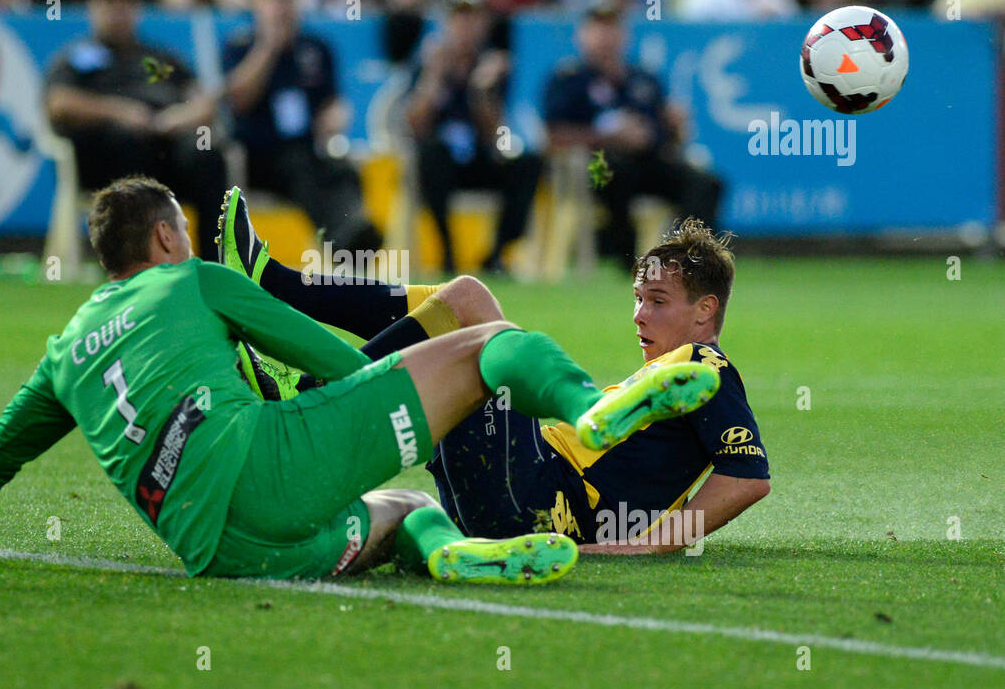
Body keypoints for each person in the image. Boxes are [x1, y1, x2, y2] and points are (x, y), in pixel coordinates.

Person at [0, 176, 721, 581]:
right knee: (490, 338)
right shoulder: (193, 280)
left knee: (408, 506)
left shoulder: (64, 351)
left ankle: (453, 553)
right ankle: (595, 404)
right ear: (166, 239)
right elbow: (333, 361)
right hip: (276, 465)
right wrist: (384, 398)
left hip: (226, 554)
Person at [216, 189, 768, 555]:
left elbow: (747, 477)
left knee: (472, 306)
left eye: (657, 301)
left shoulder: (705, 366)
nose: (639, 315)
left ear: (705, 311)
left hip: (536, 501)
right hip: (514, 496)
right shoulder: (667, 377)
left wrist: (648, 545)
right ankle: (301, 379)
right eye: (638, 299)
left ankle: (291, 338)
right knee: (462, 328)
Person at [44, 0, 226, 258]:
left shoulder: (158, 57)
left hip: (165, 144)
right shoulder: (75, 58)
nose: (118, 11)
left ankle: (212, 262)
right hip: (109, 157)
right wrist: (119, 112)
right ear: (93, 8)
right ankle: (139, 259)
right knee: (129, 143)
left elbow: (204, 102)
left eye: (125, 3)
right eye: (109, 3)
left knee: (207, 155)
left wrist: (179, 118)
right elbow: (59, 103)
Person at [543, 0, 722, 273]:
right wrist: (610, 138)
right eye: (598, 27)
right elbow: (554, 135)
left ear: (624, 34)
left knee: (706, 183)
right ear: (582, 34)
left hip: (646, 161)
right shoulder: (568, 79)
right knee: (616, 172)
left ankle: (688, 262)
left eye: (612, 27)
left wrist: (675, 127)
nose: (606, 36)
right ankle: (630, 261)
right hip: (596, 166)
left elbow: (668, 134)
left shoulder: (643, 78)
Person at [221, 0, 381, 252]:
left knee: (342, 169)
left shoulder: (316, 48)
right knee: (300, 167)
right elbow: (239, 99)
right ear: (259, 2)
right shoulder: (240, 45)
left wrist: (335, 115)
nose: (280, 5)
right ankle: (343, 241)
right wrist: (268, 47)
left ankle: (354, 230)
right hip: (257, 154)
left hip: (307, 148)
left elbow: (331, 102)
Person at [403, 0, 541, 274]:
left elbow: (497, 135)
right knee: (430, 154)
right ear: (447, 22)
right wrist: (432, 78)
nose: (465, 26)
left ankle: (496, 253)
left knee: (528, 164)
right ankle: (447, 252)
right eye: (459, 17)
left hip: (481, 156)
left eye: (473, 18)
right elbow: (414, 125)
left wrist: (481, 92)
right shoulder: (427, 60)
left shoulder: (493, 66)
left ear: (484, 23)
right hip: (443, 163)